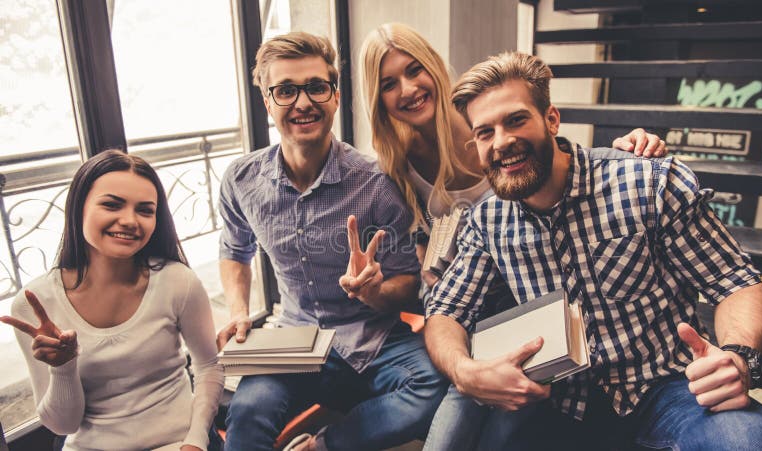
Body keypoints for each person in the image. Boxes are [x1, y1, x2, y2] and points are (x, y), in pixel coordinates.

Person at [422, 51, 762, 450]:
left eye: (516, 120)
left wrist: (739, 357)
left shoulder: (645, 181)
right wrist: (464, 371)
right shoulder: (488, 221)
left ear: (551, 119)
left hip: (667, 388)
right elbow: (446, 310)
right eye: (485, 132)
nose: (502, 142)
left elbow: (733, 281)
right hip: (560, 402)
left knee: (754, 443)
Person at [215, 31, 447, 451]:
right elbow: (234, 249)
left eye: (316, 87)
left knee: (433, 385)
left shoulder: (377, 184)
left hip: (373, 340)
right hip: (293, 338)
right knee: (247, 413)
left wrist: (375, 291)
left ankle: (320, 447)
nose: (303, 103)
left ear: (335, 96)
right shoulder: (241, 179)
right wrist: (238, 310)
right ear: (267, 103)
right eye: (285, 91)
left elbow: (407, 284)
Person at [358, 23, 667, 289]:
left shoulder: (484, 113)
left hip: (535, 268)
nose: (408, 89)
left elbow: (552, 157)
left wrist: (618, 155)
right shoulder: (397, 162)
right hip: (474, 284)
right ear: (378, 98)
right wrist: (430, 270)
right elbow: (423, 243)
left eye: (414, 70)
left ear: (433, 65)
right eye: (389, 84)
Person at [0, 150, 224, 451]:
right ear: (79, 208)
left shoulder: (177, 281)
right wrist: (63, 367)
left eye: (145, 210)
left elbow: (209, 365)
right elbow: (63, 426)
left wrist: (195, 442)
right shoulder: (34, 303)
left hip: (178, 441)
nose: (130, 221)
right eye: (111, 205)